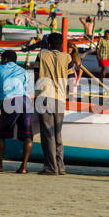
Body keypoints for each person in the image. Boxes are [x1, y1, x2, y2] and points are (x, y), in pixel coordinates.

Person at [0, 49, 33, 173]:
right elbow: (25, 88)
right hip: (25, 101)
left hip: (10, 101)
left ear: (5, 59)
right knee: (28, 137)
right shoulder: (23, 71)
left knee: (1, 135)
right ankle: (24, 167)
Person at [33, 33, 71, 175]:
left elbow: (36, 76)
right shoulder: (67, 58)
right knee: (58, 133)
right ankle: (60, 166)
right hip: (60, 98)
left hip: (44, 96)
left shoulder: (41, 56)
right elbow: (71, 80)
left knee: (48, 133)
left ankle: (50, 167)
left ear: (48, 43)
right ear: (61, 44)